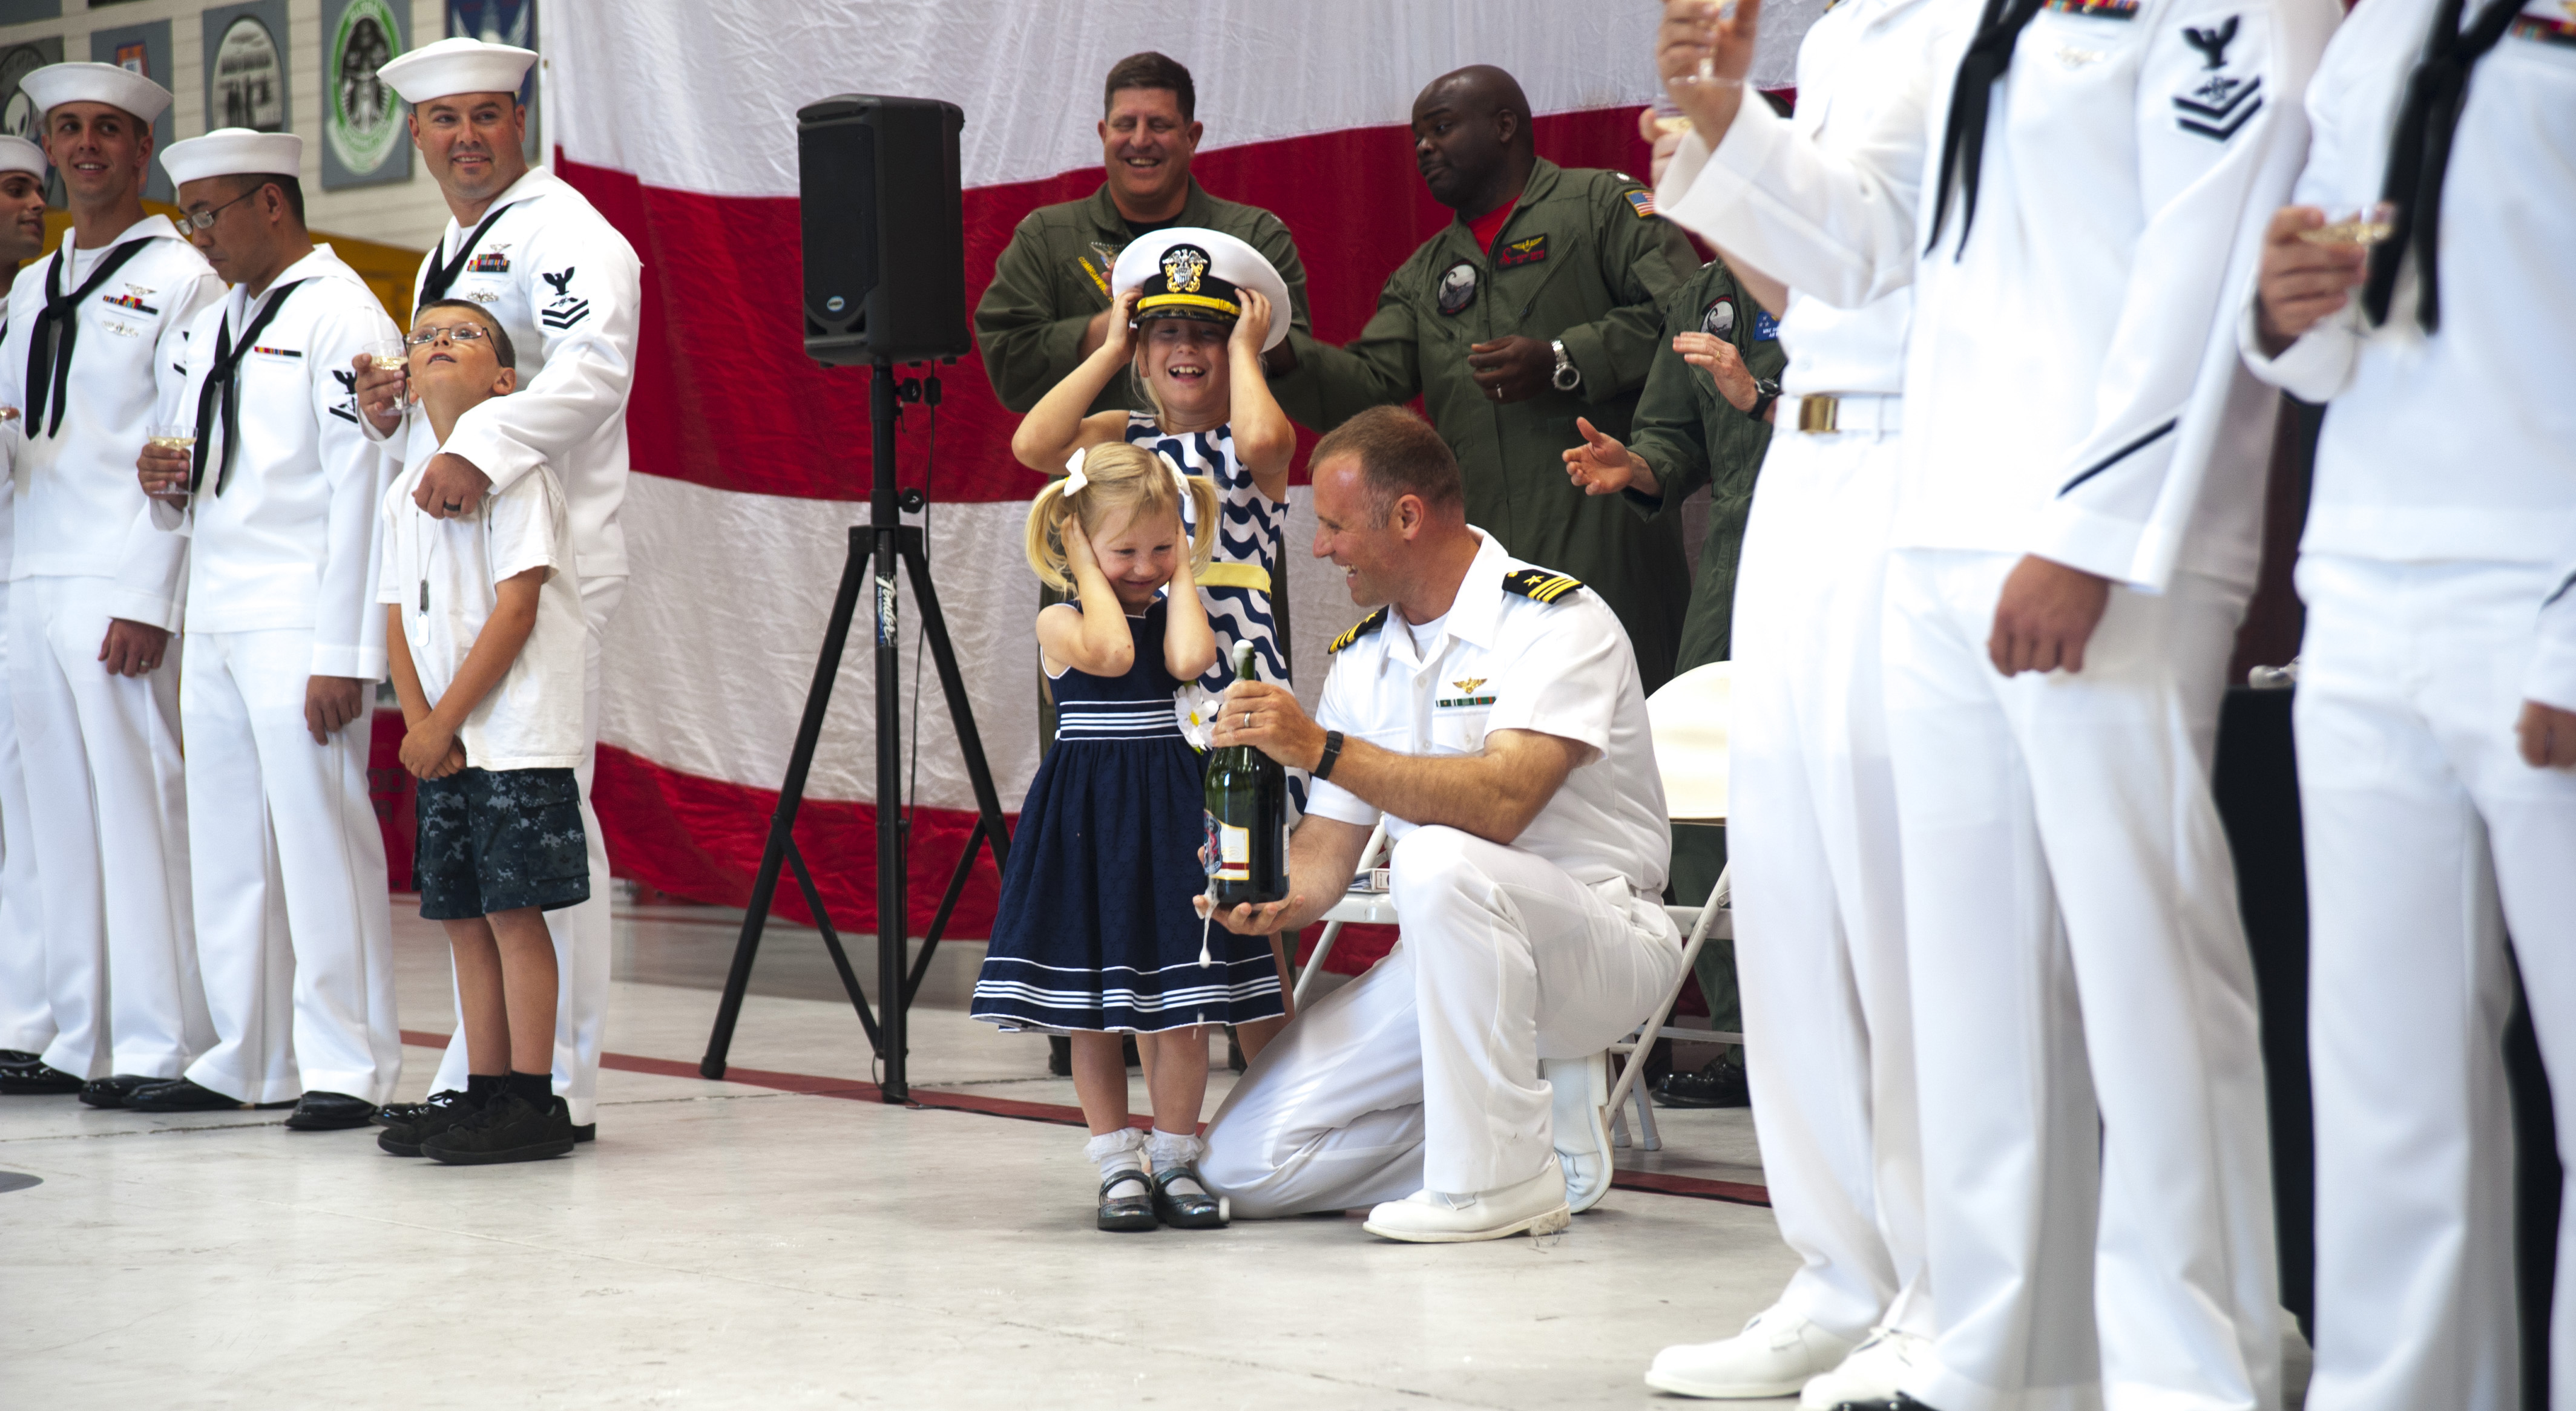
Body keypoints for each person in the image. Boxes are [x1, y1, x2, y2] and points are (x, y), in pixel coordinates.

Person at [1654, 0, 2334, 1403]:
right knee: (1973, 984)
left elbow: (2204, 248)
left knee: (2143, 968)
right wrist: (1731, 123)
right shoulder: (1993, 23)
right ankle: (1995, 1351)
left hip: (2096, 527)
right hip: (1941, 518)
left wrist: (2092, 529)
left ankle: (2200, 1364)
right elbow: (1880, 251)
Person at [1602, 1, 1944, 1402]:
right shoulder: (1854, 31)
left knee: (1908, 909)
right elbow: (1810, 291)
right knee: (1795, 892)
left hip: (1925, 446)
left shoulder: (1987, 26)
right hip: (1806, 449)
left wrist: (1738, 123)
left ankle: (1946, 1285)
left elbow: (1895, 253)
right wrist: (1722, 138)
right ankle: (1837, 1271)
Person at [2244, 7, 2574, 1406]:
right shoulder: (2374, 23)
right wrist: (2278, 310)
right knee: (2388, 1091)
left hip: (2546, 581)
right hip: (2364, 591)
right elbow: (2323, 340)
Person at [1197, 405, 1685, 1244]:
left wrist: (1319, 748)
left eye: (1335, 526)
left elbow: (1502, 803)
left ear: (1408, 516)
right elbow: (1330, 842)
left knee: (1440, 859)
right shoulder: (1360, 657)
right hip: (1449, 952)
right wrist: (1278, 898)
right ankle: (1532, 1139)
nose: (1320, 547)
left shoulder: (1556, 622)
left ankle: (1492, 1183)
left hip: (1600, 949)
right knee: (1242, 1165)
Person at [357, 36, 642, 1144]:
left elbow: (591, 370)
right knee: (488, 843)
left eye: (486, 115)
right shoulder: (456, 243)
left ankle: (551, 1086)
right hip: (458, 566)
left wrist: (481, 443)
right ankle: (491, 1075)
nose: (466, 136)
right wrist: (397, 405)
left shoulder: (564, 229)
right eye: (444, 121)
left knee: (543, 831)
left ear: (519, 121)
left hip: (543, 558)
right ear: (418, 136)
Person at [116, 130, 403, 1131]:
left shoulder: (340, 314)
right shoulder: (208, 321)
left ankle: (351, 1061)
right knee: (230, 843)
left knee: (321, 838)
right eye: (188, 215)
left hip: (299, 608)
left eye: (211, 212)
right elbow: (203, 461)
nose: (198, 235)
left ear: (272, 204)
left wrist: (346, 652)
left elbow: (362, 490)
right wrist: (165, 488)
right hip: (221, 605)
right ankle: (249, 1051)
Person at [1272, 65, 1704, 692]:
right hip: (1483, 566)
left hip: (1606, 537)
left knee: (1624, 730)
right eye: (1417, 138)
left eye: (1440, 128)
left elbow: (1688, 316)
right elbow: (1368, 385)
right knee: (1500, 746)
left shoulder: (1600, 206)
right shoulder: (1425, 274)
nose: (1423, 148)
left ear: (1504, 125)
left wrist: (1564, 357)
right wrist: (1280, 355)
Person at [966, 441, 1284, 1231]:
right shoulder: (1060, 615)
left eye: (1160, 546)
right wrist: (1077, 549)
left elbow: (1187, 657)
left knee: (1180, 1005)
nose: (1145, 565)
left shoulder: (1177, 602)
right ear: (1078, 541)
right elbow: (1110, 654)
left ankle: (1176, 1157)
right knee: (1094, 1009)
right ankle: (1116, 1162)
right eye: (1125, 550)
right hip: (1089, 814)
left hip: (1171, 805)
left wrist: (1181, 574)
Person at [1008, 228, 1301, 1056]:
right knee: (1160, 888)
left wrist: (1249, 348)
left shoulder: (1252, 435)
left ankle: (1273, 1096)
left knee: (1248, 900)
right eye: (1168, 332)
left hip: (1229, 678)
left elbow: (1265, 445)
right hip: (1137, 690)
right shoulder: (1121, 434)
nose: (1187, 349)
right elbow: (1033, 446)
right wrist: (1111, 346)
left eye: (1208, 332)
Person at [0, 64, 223, 1104]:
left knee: (140, 810)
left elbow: (186, 446)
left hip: (117, 573)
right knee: (47, 816)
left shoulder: (182, 274)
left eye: (108, 130)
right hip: (32, 568)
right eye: (68, 129)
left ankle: (158, 1036)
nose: (85, 145)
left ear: (142, 153)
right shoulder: (33, 286)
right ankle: (66, 1030)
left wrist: (151, 593)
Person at [1563, 242, 1784, 1098]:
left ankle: (1834, 1025)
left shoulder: (1838, 273)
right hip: (1734, 563)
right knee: (1693, 788)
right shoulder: (1702, 296)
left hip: (1839, 543)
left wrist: (1763, 395)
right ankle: (1740, 1035)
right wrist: (1638, 466)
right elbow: (1673, 440)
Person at [374, 299, 589, 1166]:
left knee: (513, 911)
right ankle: (485, 1090)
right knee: (465, 914)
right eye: (422, 336)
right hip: (448, 738)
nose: (436, 344)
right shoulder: (403, 484)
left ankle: (533, 1101)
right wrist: (420, 724)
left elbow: (517, 606)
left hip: (514, 733)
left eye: (462, 335)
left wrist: (447, 722)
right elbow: (393, 613)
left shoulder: (518, 469)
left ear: (506, 381)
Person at [974, 51, 1315, 418]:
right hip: (1094, 468)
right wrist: (1122, 320)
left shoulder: (1254, 236)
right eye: (1125, 124)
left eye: (1159, 124)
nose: (1140, 140)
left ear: (1192, 137)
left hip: (1224, 470)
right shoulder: (1046, 236)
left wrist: (1220, 310)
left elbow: (1301, 375)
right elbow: (1011, 370)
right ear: (1104, 134)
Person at [0, 133, 56, 1076]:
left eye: (32, 190)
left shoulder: (36, 306)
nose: (30, 204)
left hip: (33, 581)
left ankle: (33, 1018)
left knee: (36, 821)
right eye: (10, 189)